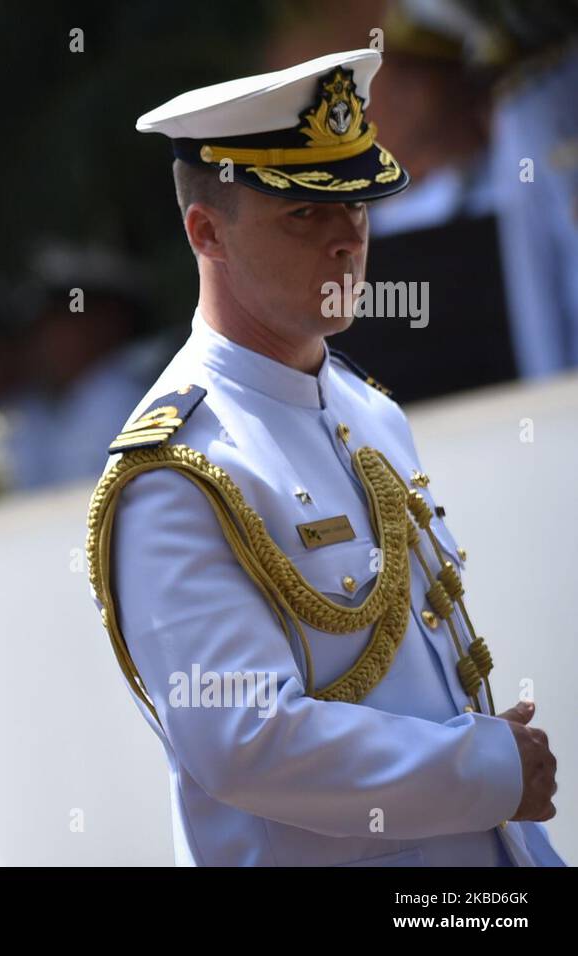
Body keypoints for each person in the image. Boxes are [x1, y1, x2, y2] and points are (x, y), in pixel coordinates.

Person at [85, 50, 564, 866]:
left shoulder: (364, 405)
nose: (347, 239)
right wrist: (486, 768)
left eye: (358, 206)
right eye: (303, 213)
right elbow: (245, 738)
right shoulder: (176, 468)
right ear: (207, 232)